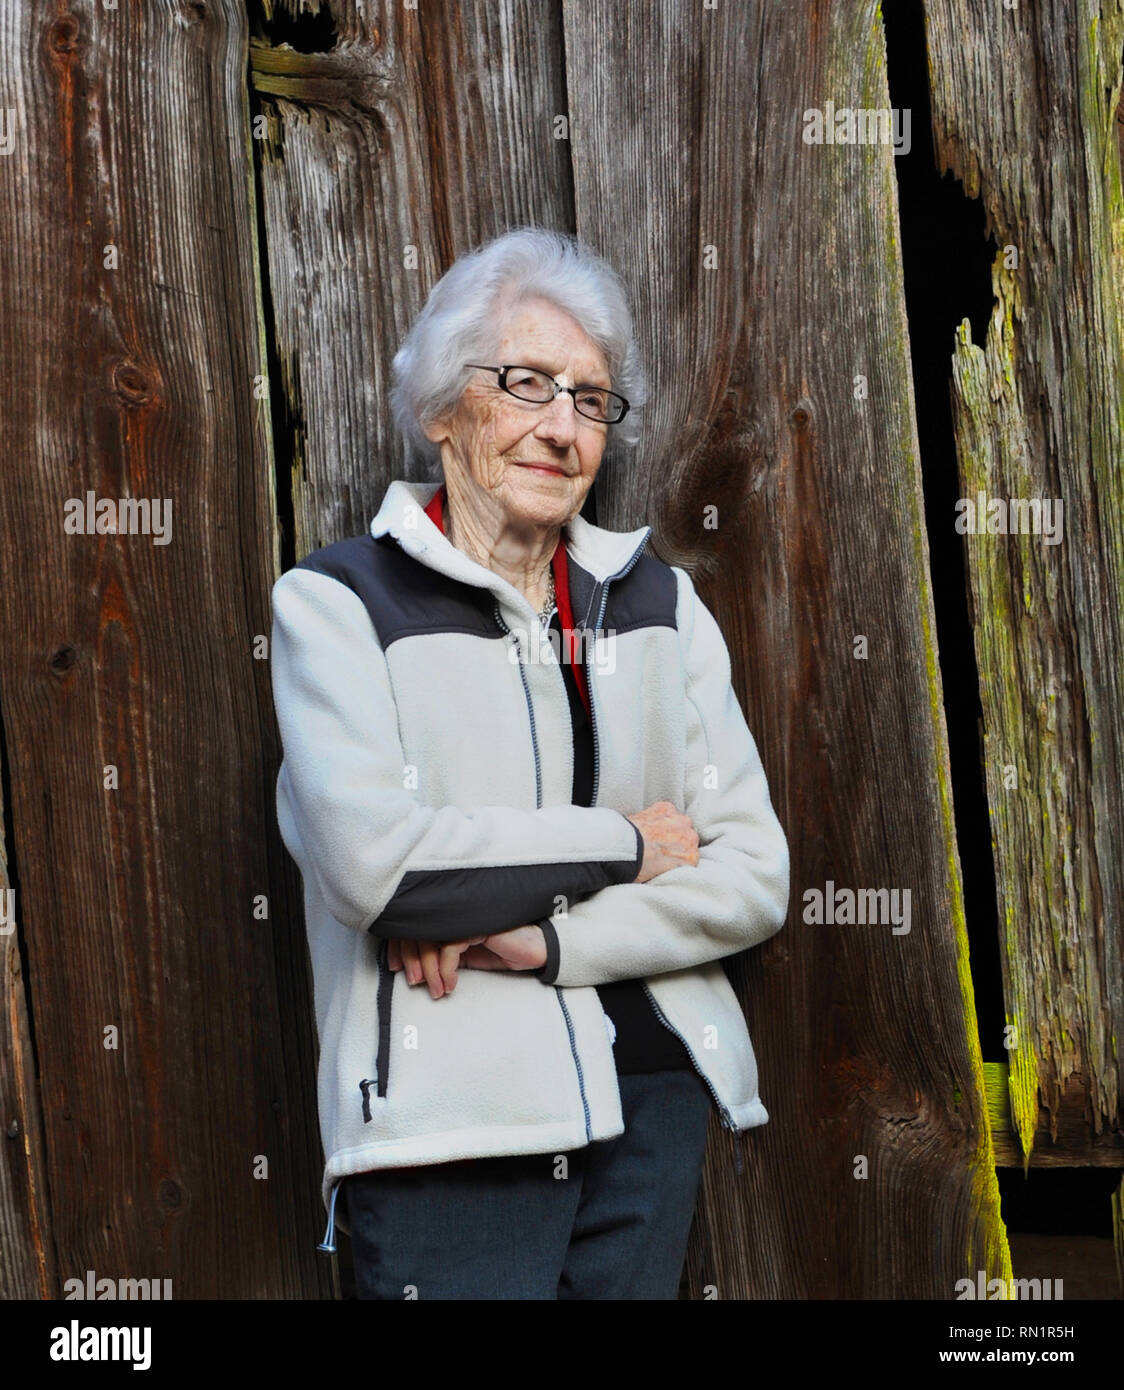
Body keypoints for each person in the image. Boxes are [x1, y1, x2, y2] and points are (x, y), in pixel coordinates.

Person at [269, 226, 789, 1299]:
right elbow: (382, 871)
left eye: (590, 400)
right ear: (440, 409)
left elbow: (750, 877)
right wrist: (627, 844)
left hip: (650, 1098)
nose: (561, 428)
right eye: (524, 385)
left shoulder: (659, 604)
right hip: (449, 1116)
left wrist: (537, 937)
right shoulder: (337, 606)